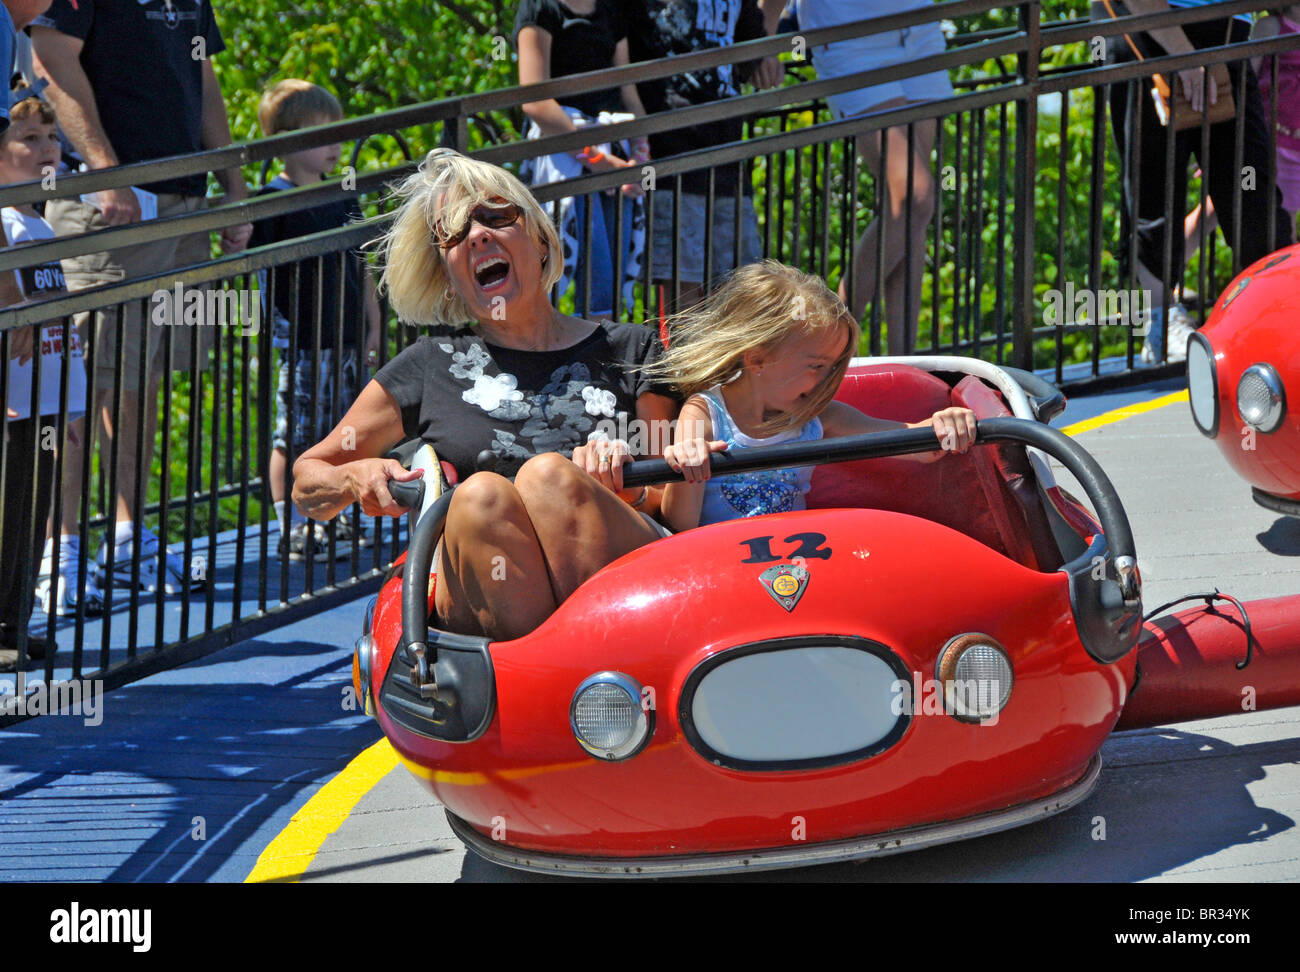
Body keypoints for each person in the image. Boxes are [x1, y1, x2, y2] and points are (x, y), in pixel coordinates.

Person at [291, 149, 679, 642]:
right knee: (480, 499)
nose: (477, 234)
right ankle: (554, 685)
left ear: (541, 239)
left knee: (548, 481)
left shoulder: (633, 347)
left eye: (497, 215)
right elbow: (309, 479)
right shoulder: (427, 366)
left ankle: (588, 683)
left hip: (628, 589)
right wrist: (352, 475)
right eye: (453, 233)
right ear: (449, 280)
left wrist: (623, 487)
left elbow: (674, 498)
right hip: (493, 595)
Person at [30, 0, 253, 601]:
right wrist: (106, 171)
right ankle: (60, 551)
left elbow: (203, 79)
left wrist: (232, 185)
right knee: (78, 387)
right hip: (109, 209)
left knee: (141, 378)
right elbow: (48, 57)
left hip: (182, 204)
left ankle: (127, 540)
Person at [648, 260, 975, 531]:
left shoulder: (819, 418)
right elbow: (679, 526)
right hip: (721, 566)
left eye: (833, 367)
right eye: (817, 366)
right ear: (757, 359)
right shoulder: (704, 414)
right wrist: (688, 468)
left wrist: (945, 425)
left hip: (794, 564)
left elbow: (917, 446)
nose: (828, 380)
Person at [1096, 0, 1294, 364]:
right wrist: (1184, 56)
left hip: (1228, 37)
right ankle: (1161, 323)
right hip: (1151, 37)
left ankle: (1274, 316)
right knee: (1153, 192)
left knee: (1253, 191)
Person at [765, 0, 952, 355]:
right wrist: (765, 39)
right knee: (916, 196)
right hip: (849, 35)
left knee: (910, 213)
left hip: (918, 28)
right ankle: (831, 335)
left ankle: (904, 361)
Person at [249, 80, 381, 562]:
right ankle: (292, 522)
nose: (336, 147)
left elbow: (364, 262)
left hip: (345, 338)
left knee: (343, 430)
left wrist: (373, 323)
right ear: (288, 142)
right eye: (323, 136)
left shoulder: (341, 196)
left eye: (337, 135)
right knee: (296, 433)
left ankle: (333, 515)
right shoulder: (273, 202)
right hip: (302, 341)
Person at [622, 0, 784, 311]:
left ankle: (726, 361)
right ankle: (684, 361)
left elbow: (754, 50)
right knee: (682, 290)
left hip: (727, 158)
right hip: (669, 157)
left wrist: (770, 50)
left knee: (744, 287)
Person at [1, 90, 87, 670]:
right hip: (14, 395)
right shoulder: (6, 219)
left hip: (49, 393)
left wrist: (74, 399)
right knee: (8, 509)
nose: (46, 148)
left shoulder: (41, 222)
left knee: (33, 512)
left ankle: (14, 619)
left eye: (51, 137)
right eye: (28, 138)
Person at [515, 0, 649, 320]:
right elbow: (535, 100)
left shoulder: (611, 9)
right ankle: (587, 363)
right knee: (596, 278)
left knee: (614, 280)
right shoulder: (541, 8)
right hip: (565, 159)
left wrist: (641, 155)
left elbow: (627, 90)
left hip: (615, 156)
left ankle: (607, 361)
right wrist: (597, 161)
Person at [1252, 5, 1300, 227]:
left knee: (1284, 220)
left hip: (1294, 150)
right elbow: (1247, 78)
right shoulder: (1271, 26)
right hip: (1261, 143)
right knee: (1242, 194)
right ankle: (1168, 259)